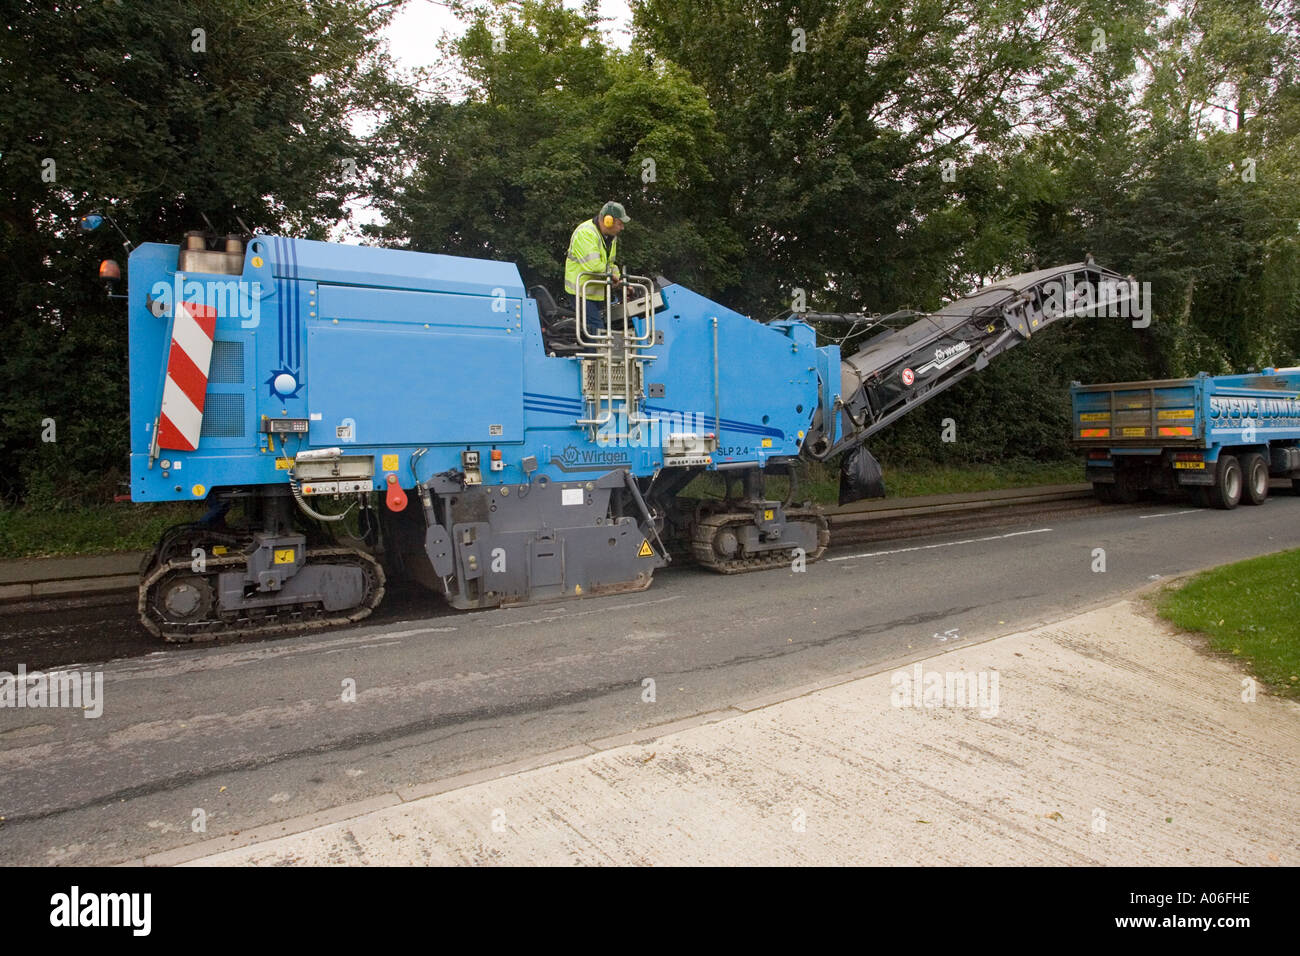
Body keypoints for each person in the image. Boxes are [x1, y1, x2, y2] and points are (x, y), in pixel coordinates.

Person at [564, 201, 630, 331]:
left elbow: (610, 264)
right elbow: (594, 266)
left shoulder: (611, 238)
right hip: (580, 292)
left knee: (597, 329)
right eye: (620, 223)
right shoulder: (586, 233)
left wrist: (620, 280)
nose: (622, 228)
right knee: (597, 330)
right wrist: (613, 277)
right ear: (608, 221)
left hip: (594, 293)